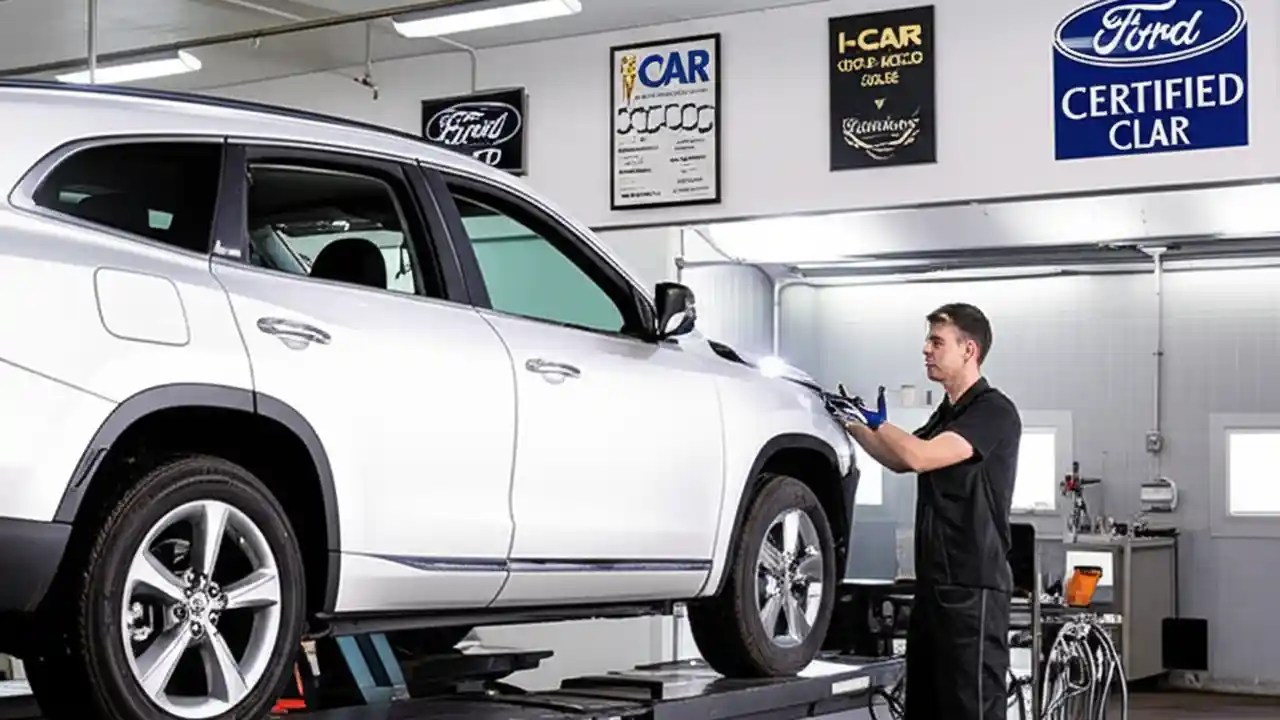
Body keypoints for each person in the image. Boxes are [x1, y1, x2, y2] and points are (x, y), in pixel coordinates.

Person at [836, 302, 1021, 720]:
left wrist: (878, 424)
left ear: (968, 350)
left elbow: (919, 456)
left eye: (937, 342)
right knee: (925, 707)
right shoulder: (947, 414)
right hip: (934, 585)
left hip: (974, 589)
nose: (926, 350)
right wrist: (853, 425)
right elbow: (898, 459)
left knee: (969, 709)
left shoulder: (993, 411)